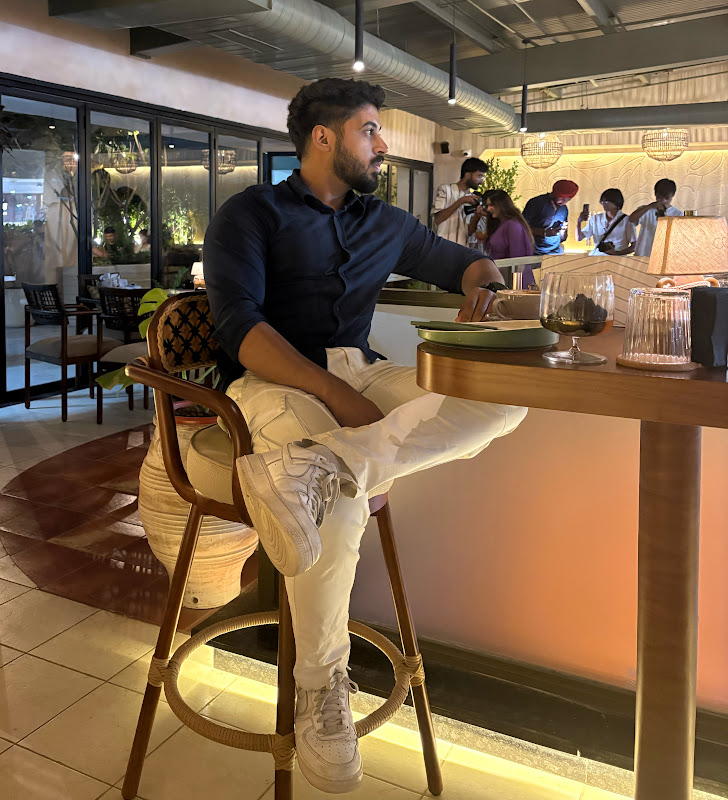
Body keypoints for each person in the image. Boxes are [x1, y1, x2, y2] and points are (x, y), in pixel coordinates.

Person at [203, 78, 526, 794]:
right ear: (324, 137)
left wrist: (487, 284)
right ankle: (320, 687)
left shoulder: (385, 221)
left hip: (361, 369)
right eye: (371, 130)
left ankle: (321, 467)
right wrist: (336, 396)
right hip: (270, 382)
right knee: (341, 492)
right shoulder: (249, 214)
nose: (383, 145)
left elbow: (462, 263)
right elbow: (240, 331)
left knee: (505, 400)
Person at [431, 156, 489, 247]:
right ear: (467, 175)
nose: (481, 181)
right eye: (479, 176)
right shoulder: (445, 190)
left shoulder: (474, 198)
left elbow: (469, 232)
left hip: (463, 248)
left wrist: (477, 216)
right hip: (443, 247)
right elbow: (437, 220)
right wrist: (461, 201)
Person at [629, 178, 684, 257]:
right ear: (655, 194)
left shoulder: (677, 214)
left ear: (672, 196)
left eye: (667, 198)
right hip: (643, 254)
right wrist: (650, 206)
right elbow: (631, 219)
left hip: (664, 256)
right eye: (660, 197)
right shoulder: (646, 210)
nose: (663, 201)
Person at [522, 180, 578, 255]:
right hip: (535, 252)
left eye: (567, 200)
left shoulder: (563, 209)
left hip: (556, 251)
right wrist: (544, 233)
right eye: (562, 199)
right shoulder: (536, 203)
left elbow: (563, 238)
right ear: (555, 193)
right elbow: (522, 228)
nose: (564, 202)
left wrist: (563, 231)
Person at [576, 188, 636, 256]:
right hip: (597, 257)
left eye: (606, 202)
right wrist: (579, 222)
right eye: (602, 202)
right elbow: (579, 238)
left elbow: (634, 246)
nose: (604, 204)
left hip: (618, 259)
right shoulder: (596, 219)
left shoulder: (627, 220)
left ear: (616, 202)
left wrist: (617, 253)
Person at [483, 190, 535, 260]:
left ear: (501, 204)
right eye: (487, 206)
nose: (488, 209)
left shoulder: (513, 225)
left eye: (491, 205)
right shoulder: (500, 224)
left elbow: (518, 256)